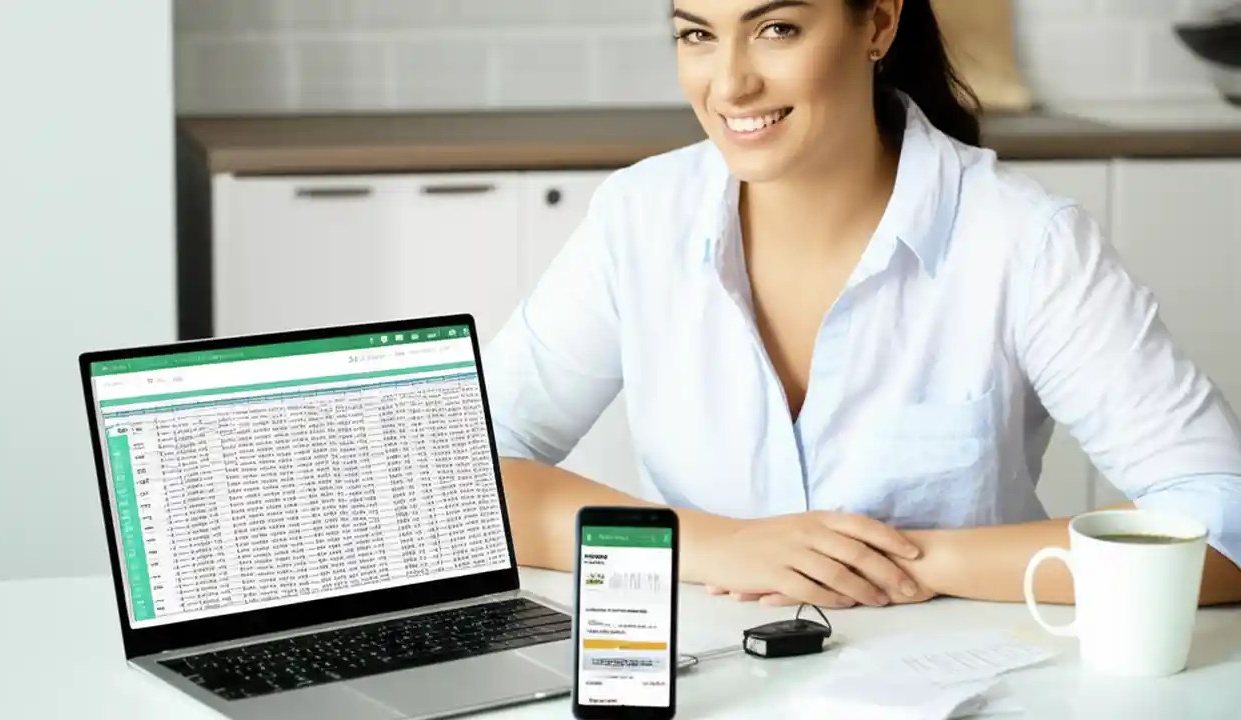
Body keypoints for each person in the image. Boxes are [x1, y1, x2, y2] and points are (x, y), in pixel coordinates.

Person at [483, 0, 1241, 608]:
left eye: (776, 29)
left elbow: (1225, 528)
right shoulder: (638, 218)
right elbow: (468, 477)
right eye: (697, 35)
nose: (729, 84)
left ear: (877, 23)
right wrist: (717, 544)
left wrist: (914, 559)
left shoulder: (1022, 242)